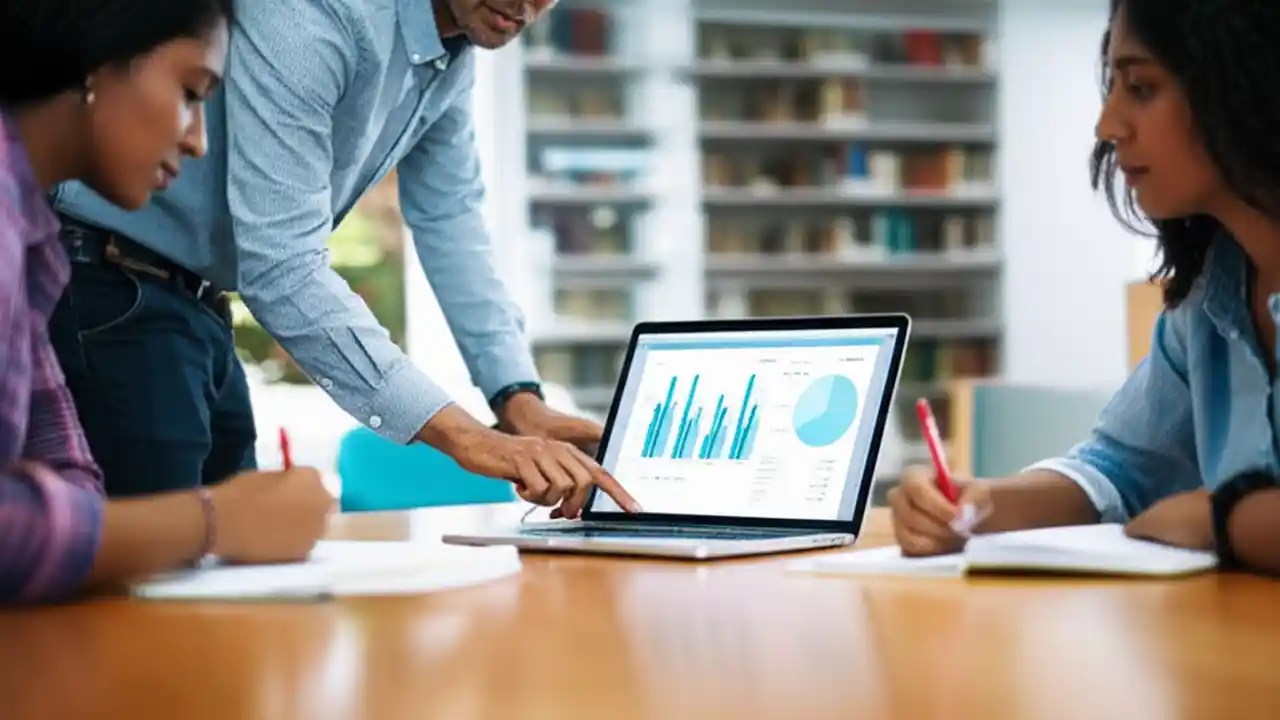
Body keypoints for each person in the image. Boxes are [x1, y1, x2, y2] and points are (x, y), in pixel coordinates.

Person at [49, 0, 640, 519]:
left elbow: (450, 219)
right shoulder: (316, 13)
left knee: (229, 575)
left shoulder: (451, 56)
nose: (530, 3)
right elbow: (281, 264)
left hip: (194, 302)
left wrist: (518, 400)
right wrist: (463, 436)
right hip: (102, 282)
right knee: (149, 585)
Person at [889, 0, 1280, 576]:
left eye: (1141, 87)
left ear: (1246, 82)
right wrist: (979, 506)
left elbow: (1194, 515)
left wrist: (1223, 520)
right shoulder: (1210, 297)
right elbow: (1118, 470)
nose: (1107, 126)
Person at [0, 0, 333, 604]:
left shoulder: (31, 236)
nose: (199, 142)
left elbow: (62, 465)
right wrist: (212, 522)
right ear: (98, 60)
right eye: (190, 91)